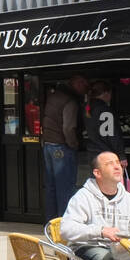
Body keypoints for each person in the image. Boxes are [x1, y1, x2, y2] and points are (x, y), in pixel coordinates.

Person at [41, 75, 88, 220]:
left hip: (48, 144)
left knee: (51, 187)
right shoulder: (70, 101)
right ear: (76, 83)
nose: (85, 87)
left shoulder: (54, 96)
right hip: (61, 146)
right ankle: (65, 222)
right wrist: (74, 144)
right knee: (65, 187)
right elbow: (69, 127)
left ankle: (51, 221)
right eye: (83, 84)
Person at [85, 80, 125, 165]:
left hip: (92, 153)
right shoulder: (104, 110)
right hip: (106, 154)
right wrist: (121, 155)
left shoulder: (87, 109)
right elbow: (111, 135)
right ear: (106, 93)